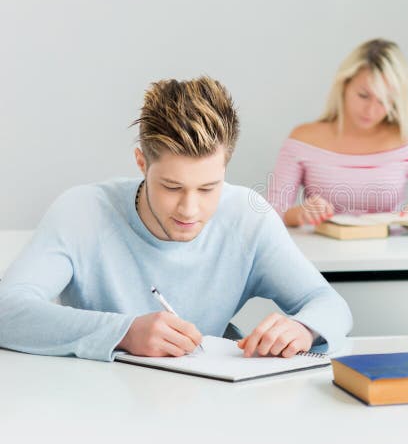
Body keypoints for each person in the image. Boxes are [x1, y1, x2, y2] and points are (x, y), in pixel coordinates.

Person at [0, 76, 352, 361]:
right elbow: (7, 311)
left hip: (209, 406)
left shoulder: (247, 217)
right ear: (142, 163)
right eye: (171, 187)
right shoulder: (82, 211)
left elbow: (329, 304)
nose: (189, 209)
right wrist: (124, 333)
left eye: (208, 188)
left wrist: (304, 329)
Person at [267, 38, 408, 227]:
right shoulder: (303, 139)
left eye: (384, 101)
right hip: (322, 258)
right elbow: (270, 213)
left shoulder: (406, 143)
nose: (371, 111)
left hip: (390, 257)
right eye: (363, 96)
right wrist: (297, 214)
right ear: (344, 85)